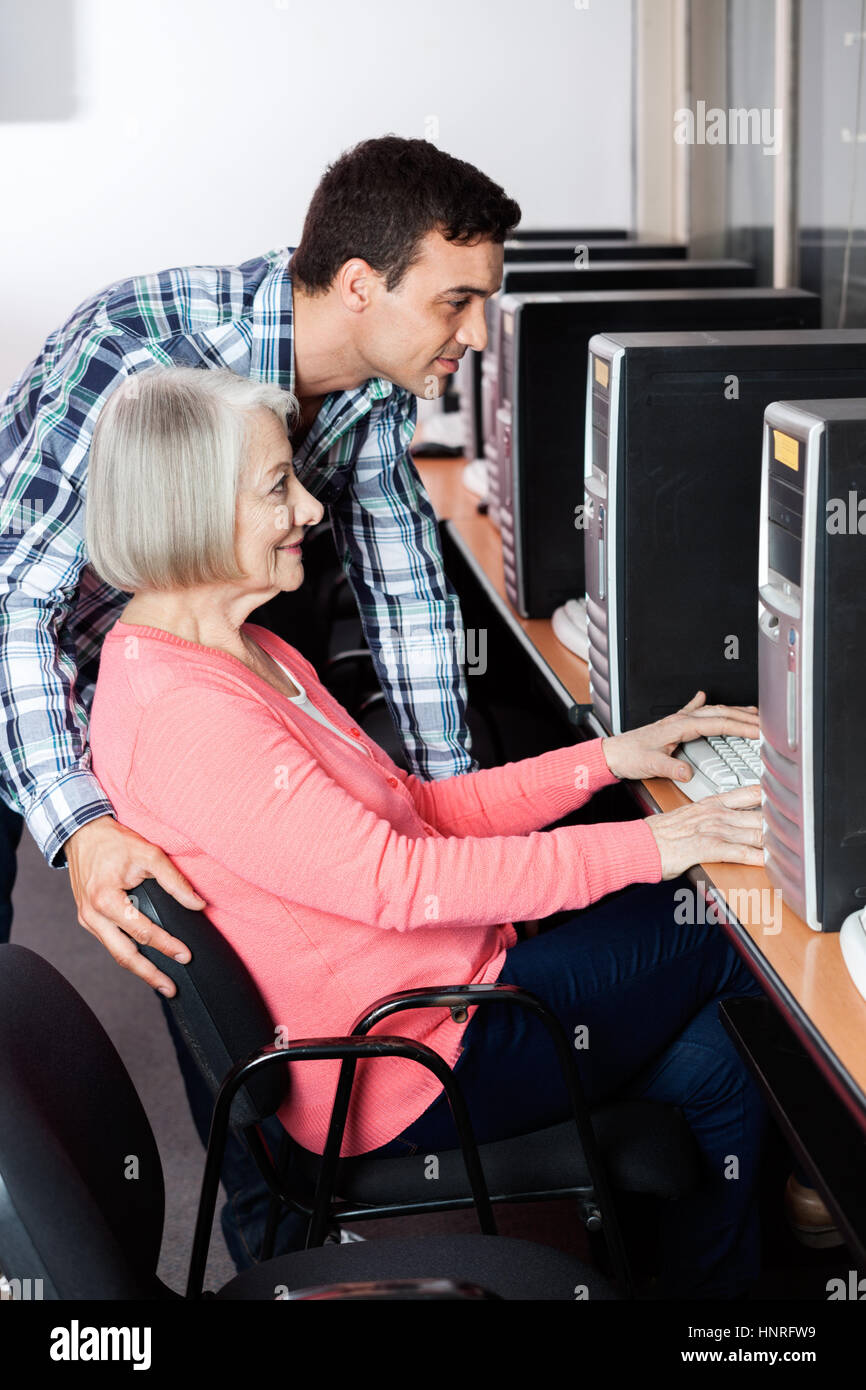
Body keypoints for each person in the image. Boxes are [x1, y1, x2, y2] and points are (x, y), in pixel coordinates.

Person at [86, 367, 769, 1299]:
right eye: (278, 486)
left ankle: (717, 1309)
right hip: (420, 1057)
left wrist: (610, 759)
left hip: (446, 995)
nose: (314, 510)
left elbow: (417, 806)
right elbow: (402, 879)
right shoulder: (186, 713)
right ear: (192, 507)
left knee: (717, 1063)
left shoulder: (239, 649)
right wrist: (663, 845)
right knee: (731, 923)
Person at [0, 135, 519, 1263]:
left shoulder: (370, 393)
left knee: (208, 941)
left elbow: (407, 600)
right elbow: (16, 603)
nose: (475, 335)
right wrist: (78, 821)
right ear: (357, 286)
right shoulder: (142, 348)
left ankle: (276, 1255)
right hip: (24, 684)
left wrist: (441, 814)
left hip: (160, 676)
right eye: (457, 299)